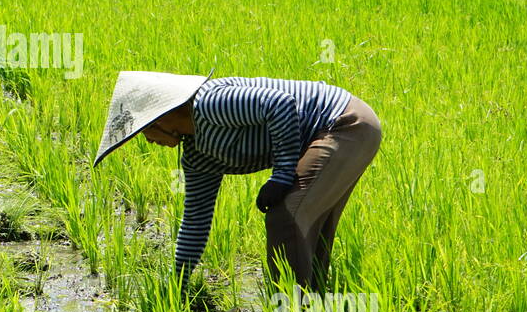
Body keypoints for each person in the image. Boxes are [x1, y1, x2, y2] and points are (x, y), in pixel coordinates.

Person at [94, 72, 381, 295]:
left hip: (345, 124)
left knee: (287, 217)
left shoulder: (209, 106)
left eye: (146, 131)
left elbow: (279, 104)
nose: (150, 141)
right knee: (309, 228)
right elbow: (195, 222)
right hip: (335, 133)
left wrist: (281, 175)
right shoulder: (197, 154)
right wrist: (177, 286)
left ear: (164, 117)